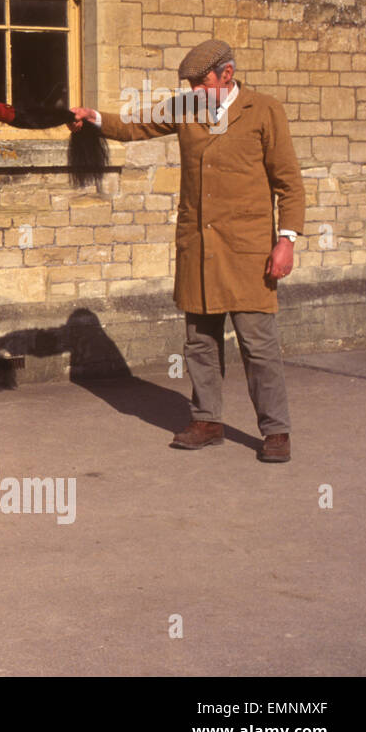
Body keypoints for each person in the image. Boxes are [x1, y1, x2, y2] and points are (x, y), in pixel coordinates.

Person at [69, 39, 305, 463]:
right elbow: (136, 124)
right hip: (198, 246)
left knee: (258, 344)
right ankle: (207, 421)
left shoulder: (264, 111)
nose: (193, 90)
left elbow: (289, 183)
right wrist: (95, 118)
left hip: (249, 251)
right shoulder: (186, 108)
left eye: (200, 82)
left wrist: (285, 241)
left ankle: (276, 430)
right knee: (199, 341)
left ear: (226, 75)